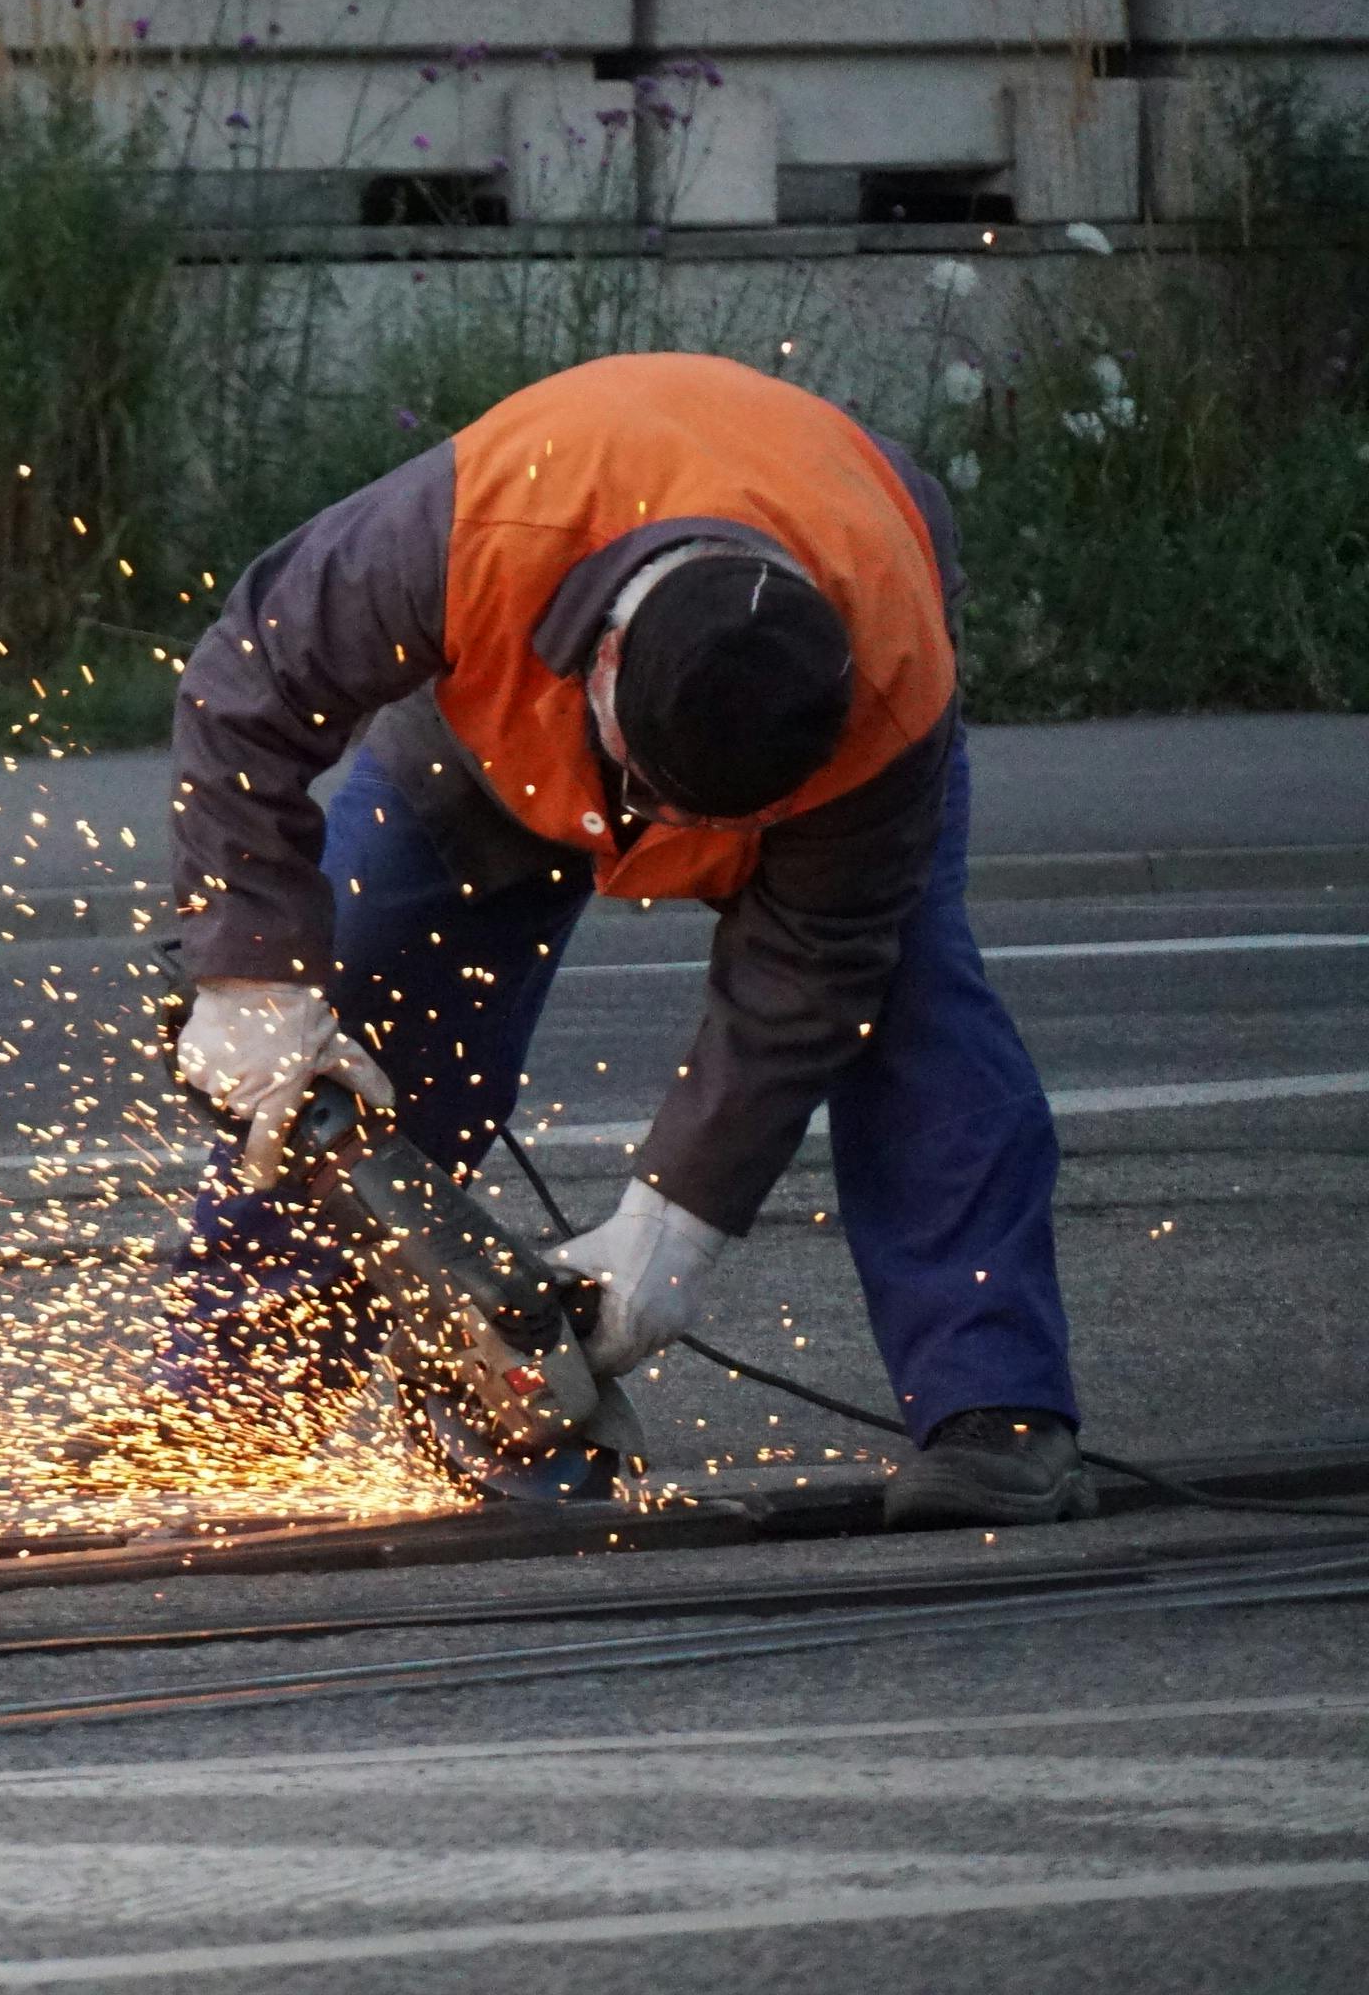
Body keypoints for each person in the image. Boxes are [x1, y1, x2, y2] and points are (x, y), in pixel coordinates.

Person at [143, 350, 1084, 1529]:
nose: (666, 839)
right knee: (351, 1038)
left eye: (708, 820)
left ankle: (994, 1407)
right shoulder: (472, 526)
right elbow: (245, 689)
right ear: (603, 663)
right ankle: (233, 1404)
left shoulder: (888, 681)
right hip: (489, 749)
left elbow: (808, 979)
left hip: (833, 771)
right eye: (657, 795)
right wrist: (247, 975)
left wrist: (665, 1234)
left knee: (910, 1020)